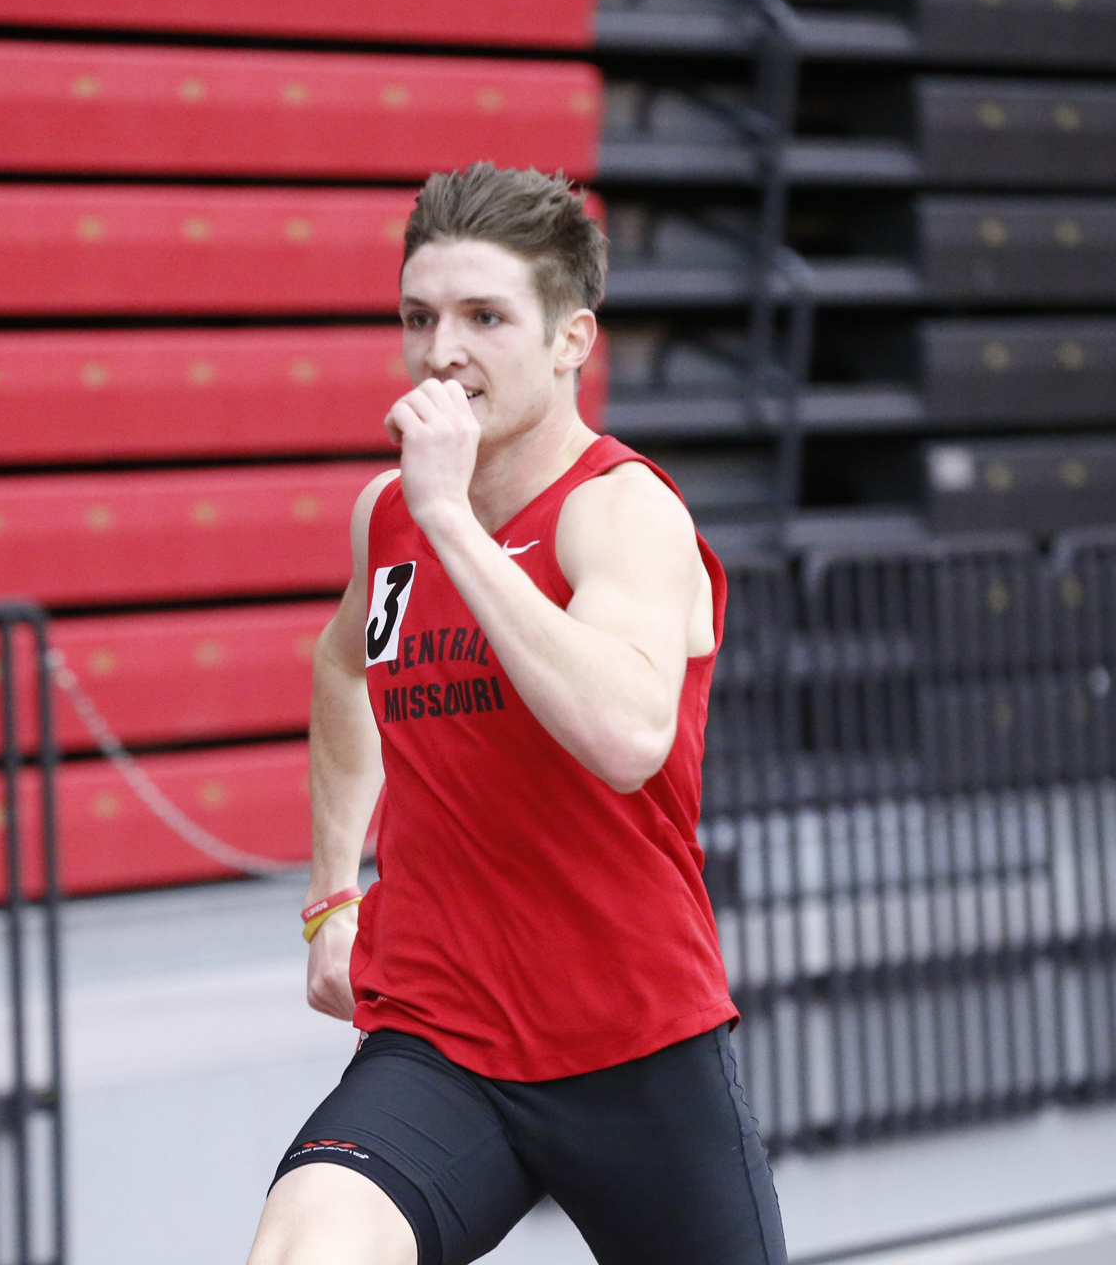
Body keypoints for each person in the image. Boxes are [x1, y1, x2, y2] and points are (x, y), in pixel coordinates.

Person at [245, 164, 786, 1265]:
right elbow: (343, 669)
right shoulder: (386, 516)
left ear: (570, 342)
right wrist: (330, 897)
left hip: (632, 1041)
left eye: (484, 317)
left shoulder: (621, 509)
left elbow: (628, 736)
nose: (442, 350)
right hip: (441, 1037)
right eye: (418, 317)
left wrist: (454, 522)